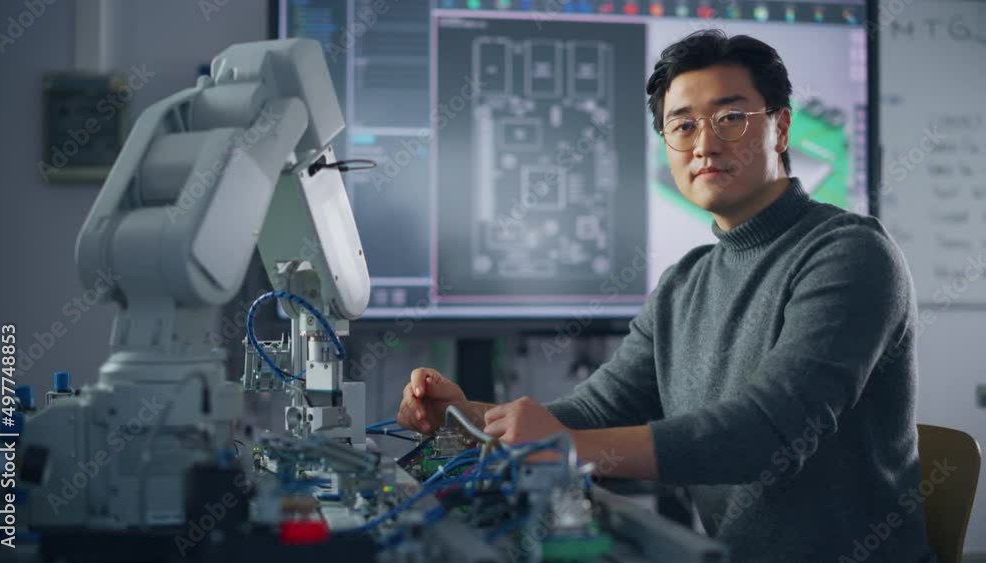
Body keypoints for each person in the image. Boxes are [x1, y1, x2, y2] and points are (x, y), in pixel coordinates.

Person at [396, 29, 936, 563]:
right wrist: (464, 421)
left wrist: (562, 449)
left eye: (730, 118)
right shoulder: (685, 283)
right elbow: (593, 412)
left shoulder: (851, 254)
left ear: (781, 127)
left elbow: (770, 433)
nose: (704, 145)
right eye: (683, 126)